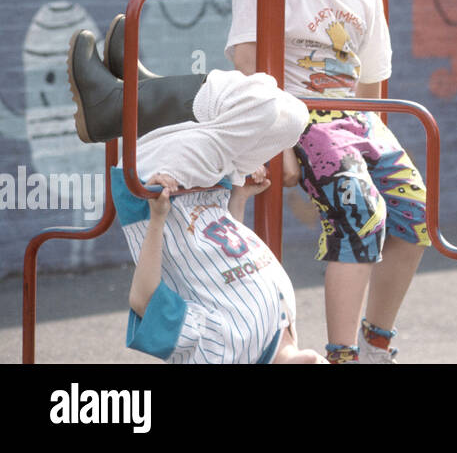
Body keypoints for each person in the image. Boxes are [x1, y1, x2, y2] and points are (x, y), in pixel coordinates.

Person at [225, 0, 431, 364]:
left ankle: (376, 340)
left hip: (354, 118)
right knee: (359, 214)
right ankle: (342, 356)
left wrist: (377, 143)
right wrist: (280, 140)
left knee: (412, 210)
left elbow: (372, 80)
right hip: (301, 115)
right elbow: (249, 64)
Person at [65, 22, 324, 363]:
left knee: (260, 104)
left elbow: (145, 300)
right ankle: (139, 91)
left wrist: (156, 220)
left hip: (159, 187)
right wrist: (241, 197)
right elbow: (214, 251)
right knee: (292, 117)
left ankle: (116, 106)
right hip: (209, 185)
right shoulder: (286, 320)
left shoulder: (228, 353)